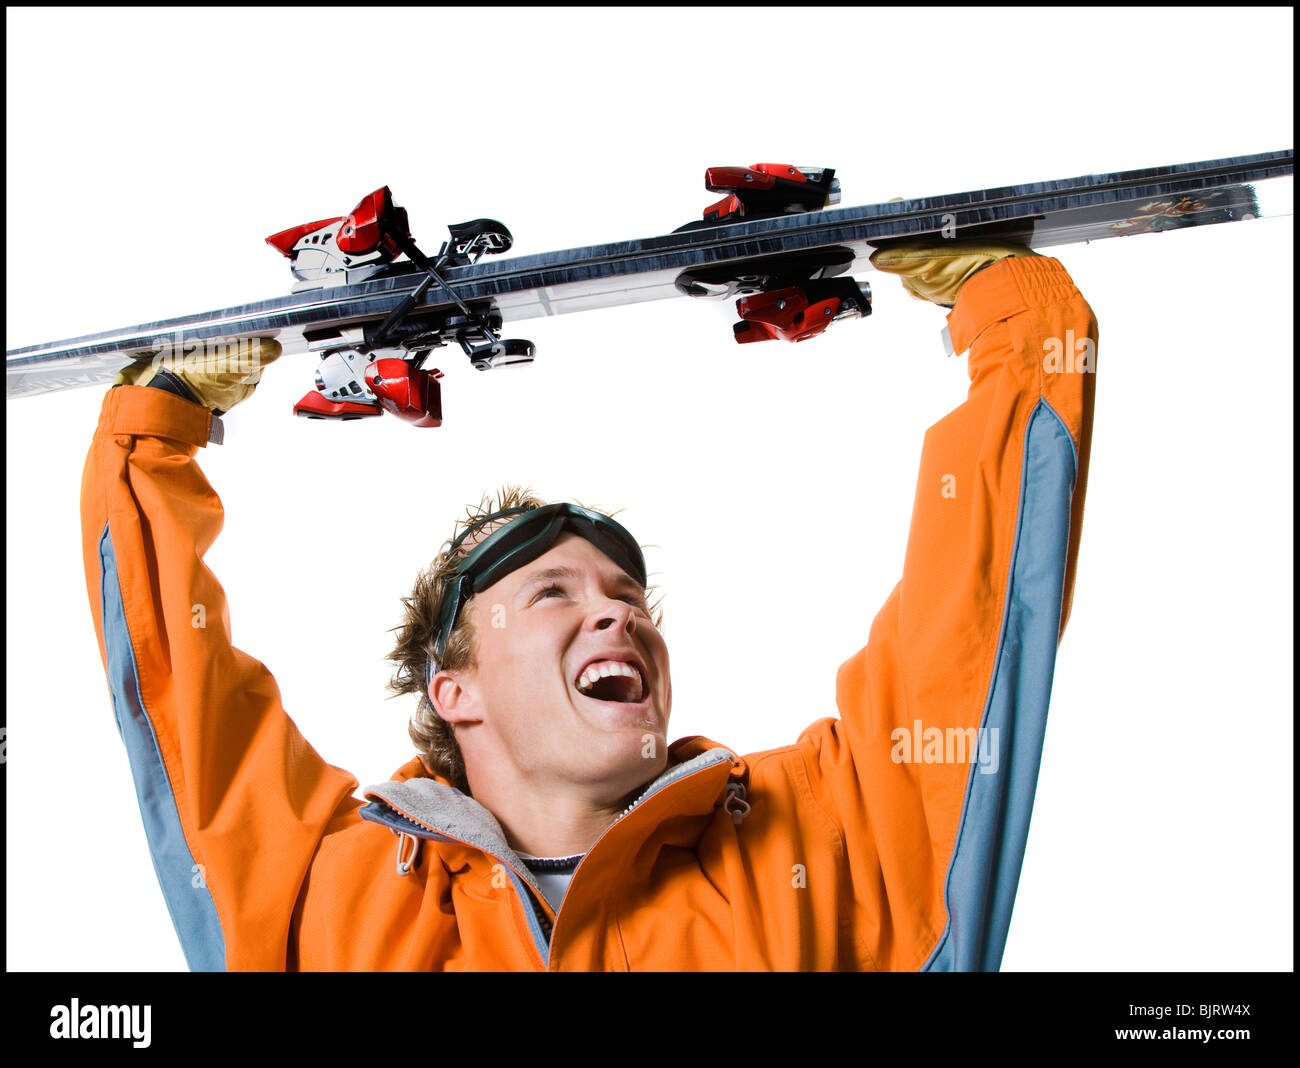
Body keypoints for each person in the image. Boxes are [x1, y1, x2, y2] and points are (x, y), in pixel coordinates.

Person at [83, 239, 1096, 971]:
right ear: (456, 690)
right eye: (553, 593)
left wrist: (1011, 319)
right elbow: (176, 693)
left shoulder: (824, 840)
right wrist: (153, 429)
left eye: (626, 595)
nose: (621, 617)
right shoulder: (329, 894)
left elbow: (975, 622)